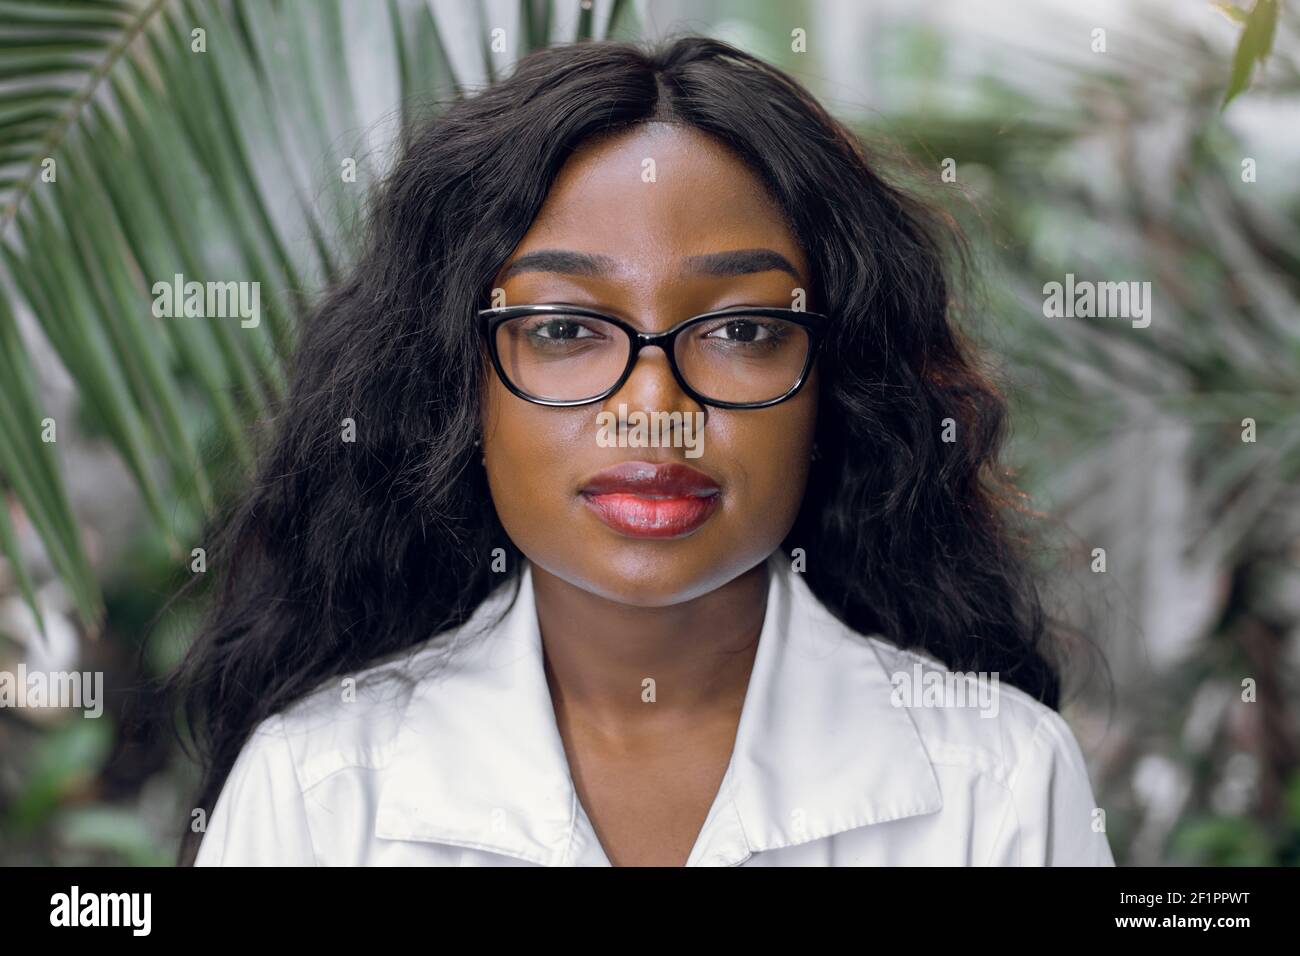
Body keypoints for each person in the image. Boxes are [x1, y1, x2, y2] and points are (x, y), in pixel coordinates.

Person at [172, 35, 1115, 867]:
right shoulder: (317, 794)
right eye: (563, 328)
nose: (653, 407)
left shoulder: (1001, 786)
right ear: (456, 388)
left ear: (839, 383)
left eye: (743, 331)